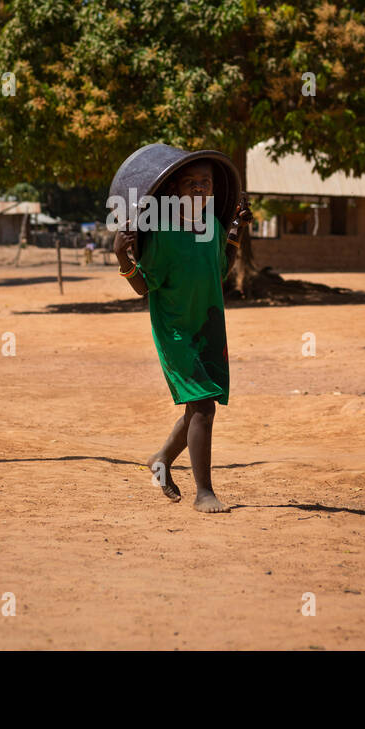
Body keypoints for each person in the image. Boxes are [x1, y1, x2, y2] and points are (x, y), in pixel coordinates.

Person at [114, 158, 252, 514]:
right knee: (204, 405)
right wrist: (122, 258)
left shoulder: (210, 224)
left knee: (198, 406)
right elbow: (145, 287)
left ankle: (161, 459)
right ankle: (204, 492)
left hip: (207, 325)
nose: (198, 187)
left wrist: (236, 232)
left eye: (204, 181)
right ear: (173, 189)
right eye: (189, 181)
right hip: (176, 331)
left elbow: (221, 268)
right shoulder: (160, 231)